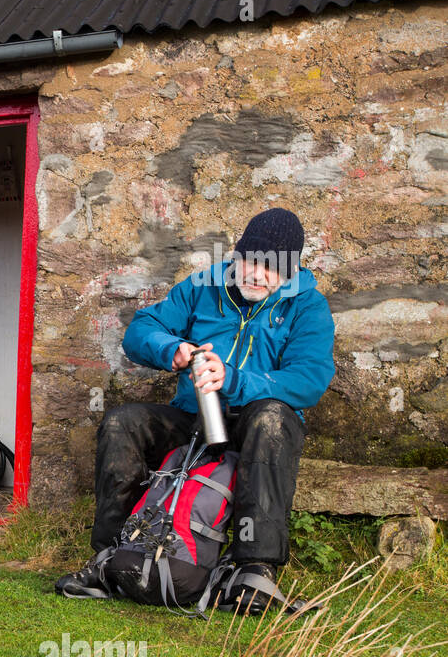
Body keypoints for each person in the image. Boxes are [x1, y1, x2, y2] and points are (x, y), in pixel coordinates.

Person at [55, 208, 336, 613]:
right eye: (251, 262)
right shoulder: (201, 289)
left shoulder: (308, 306)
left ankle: (253, 571)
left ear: (289, 272)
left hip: (256, 426)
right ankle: (111, 557)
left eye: (271, 269)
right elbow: (140, 330)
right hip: (193, 419)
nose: (257, 275)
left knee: (272, 418)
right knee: (123, 423)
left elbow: (309, 379)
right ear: (237, 256)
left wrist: (235, 380)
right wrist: (171, 348)